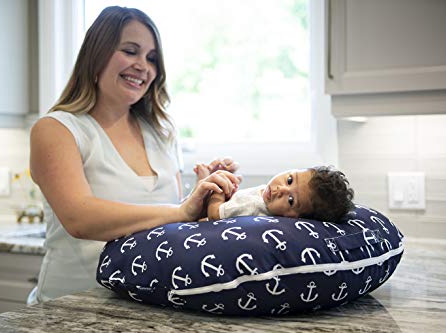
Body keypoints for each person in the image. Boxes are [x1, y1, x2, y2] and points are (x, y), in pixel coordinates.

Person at [29, 6, 240, 303]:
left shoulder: (161, 132)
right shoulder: (56, 129)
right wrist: (182, 211)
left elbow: (167, 220)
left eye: (152, 58)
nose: (143, 66)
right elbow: (79, 218)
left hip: (146, 303)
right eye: (130, 51)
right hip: (71, 306)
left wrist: (203, 199)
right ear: (96, 54)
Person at [195, 165, 354, 222]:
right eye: (290, 180)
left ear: (294, 217)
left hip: (197, 221)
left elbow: (215, 215)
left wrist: (217, 188)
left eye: (291, 200)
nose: (281, 190)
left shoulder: (253, 206)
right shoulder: (268, 197)